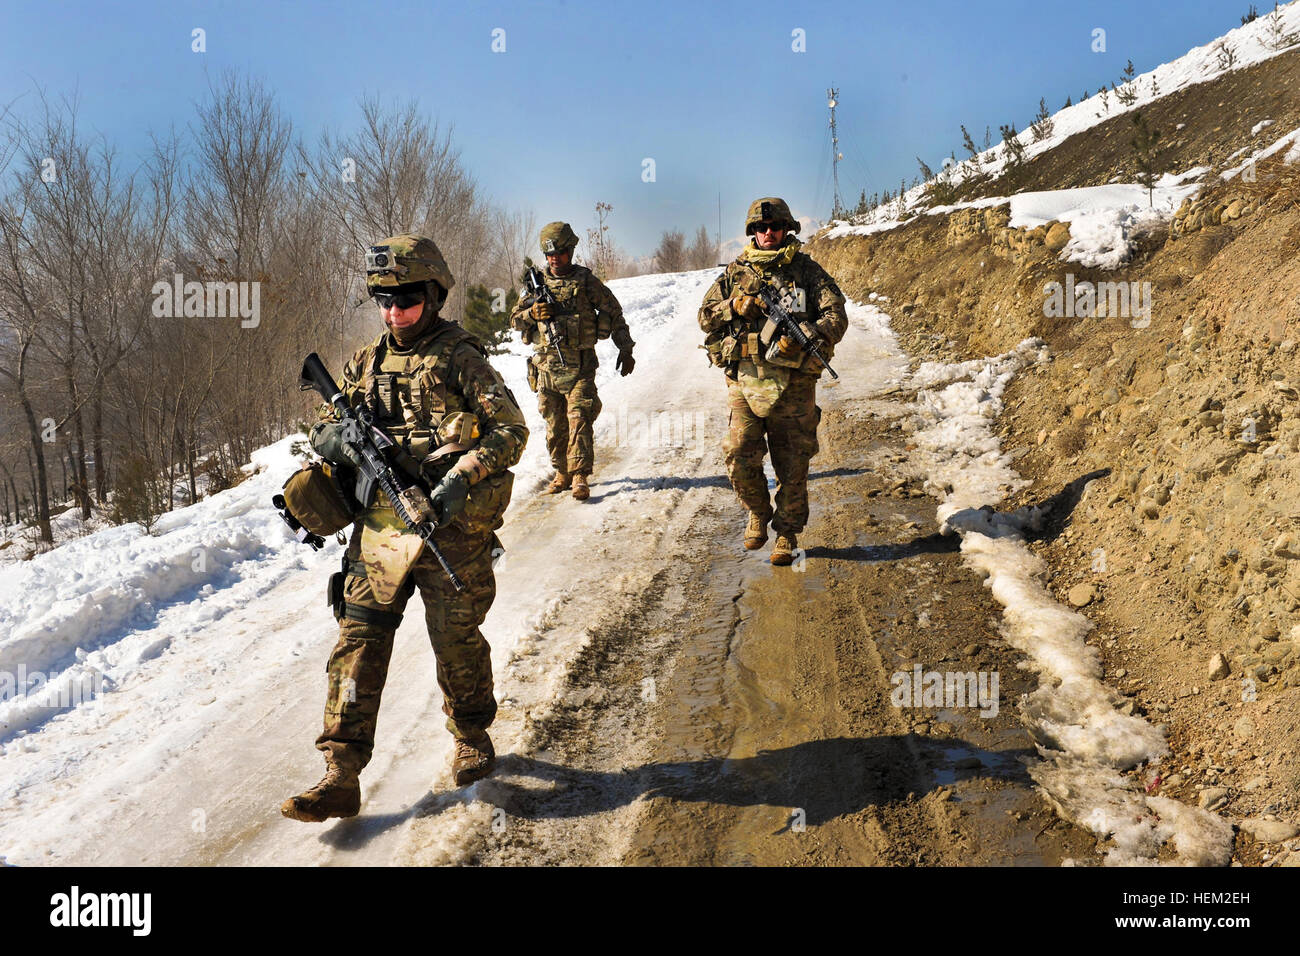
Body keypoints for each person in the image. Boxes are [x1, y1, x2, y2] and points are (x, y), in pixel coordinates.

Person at [281, 234, 528, 822]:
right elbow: (323, 423)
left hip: (450, 527)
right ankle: (339, 772)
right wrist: (336, 437)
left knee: (456, 639)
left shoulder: (460, 357)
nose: (395, 311)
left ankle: (471, 734)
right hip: (381, 533)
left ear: (434, 293)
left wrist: (464, 473)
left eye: (408, 298)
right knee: (357, 646)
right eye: (385, 299)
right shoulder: (366, 361)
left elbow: (511, 431)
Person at [697, 198, 847, 566]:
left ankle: (787, 533)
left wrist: (807, 332)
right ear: (752, 232)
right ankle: (758, 512)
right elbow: (704, 317)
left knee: (793, 461)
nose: (768, 233)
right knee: (738, 452)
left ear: (787, 229)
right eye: (761, 228)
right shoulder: (736, 273)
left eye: (776, 227)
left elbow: (837, 315)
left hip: (793, 383)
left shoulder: (807, 271)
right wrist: (734, 306)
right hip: (746, 380)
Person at [509, 221, 635, 501]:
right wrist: (532, 314)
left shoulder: (586, 281)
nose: (555, 259)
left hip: (580, 367)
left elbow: (613, 313)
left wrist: (625, 348)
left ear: (571, 250)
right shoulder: (534, 286)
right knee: (555, 427)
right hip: (546, 370)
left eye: (561, 253)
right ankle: (562, 472)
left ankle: (579, 476)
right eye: (550, 254)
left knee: (579, 419)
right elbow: (514, 319)